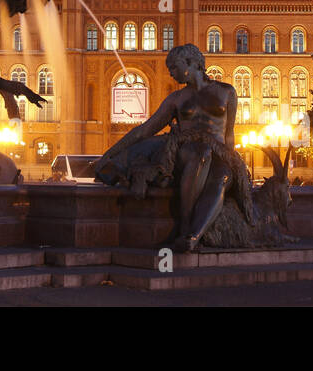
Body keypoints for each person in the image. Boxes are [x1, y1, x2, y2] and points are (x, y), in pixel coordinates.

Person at [90, 43, 254, 252]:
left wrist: (232, 162)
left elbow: (229, 134)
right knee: (200, 153)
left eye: (174, 68)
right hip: (187, 150)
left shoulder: (227, 92)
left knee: (222, 178)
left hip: (219, 153)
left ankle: (193, 236)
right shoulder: (177, 99)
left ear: (191, 63)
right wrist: (110, 153)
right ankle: (185, 226)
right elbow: (145, 130)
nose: (171, 74)